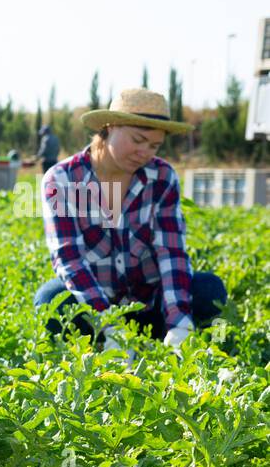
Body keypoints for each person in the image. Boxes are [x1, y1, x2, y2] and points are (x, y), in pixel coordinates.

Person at [35, 88, 226, 351]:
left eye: (154, 146)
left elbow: (171, 253)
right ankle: (99, 347)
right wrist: (109, 324)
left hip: (151, 306)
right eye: (138, 140)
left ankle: (198, 347)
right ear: (110, 127)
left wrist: (179, 323)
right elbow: (69, 259)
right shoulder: (62, 180)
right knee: (51, 300)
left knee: (209, 289)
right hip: (96, 307)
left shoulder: (162, 176)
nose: (145, 152)